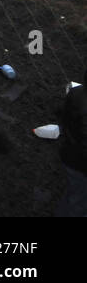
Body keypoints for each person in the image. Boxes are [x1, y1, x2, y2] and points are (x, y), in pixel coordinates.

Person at [58, 71, 87, 217]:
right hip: (81, 166)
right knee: (79, 205)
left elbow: (63, 119)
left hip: (69, 155)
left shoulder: (76, 92)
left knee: (74, 194)